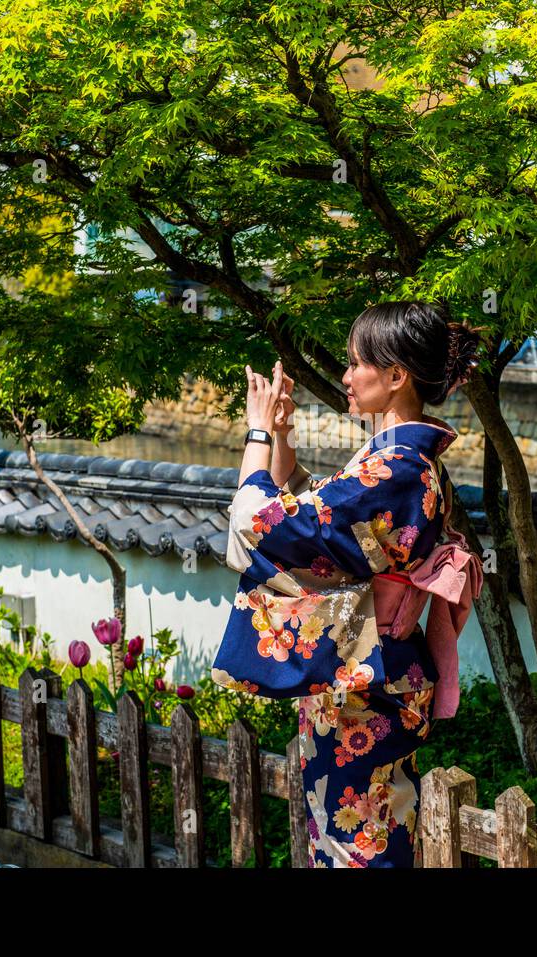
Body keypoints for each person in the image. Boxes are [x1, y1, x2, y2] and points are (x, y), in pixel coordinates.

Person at [211, 301, 483, 868]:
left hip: (373, 678)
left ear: (395, 376)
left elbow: (263, 526)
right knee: (346, 836)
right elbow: (316, 514)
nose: (344, 376)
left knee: (359, 844)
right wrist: (283, 438)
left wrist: (258, 433)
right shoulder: (394, 462)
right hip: (367, 673)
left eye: (356, 363)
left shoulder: (400, 467)